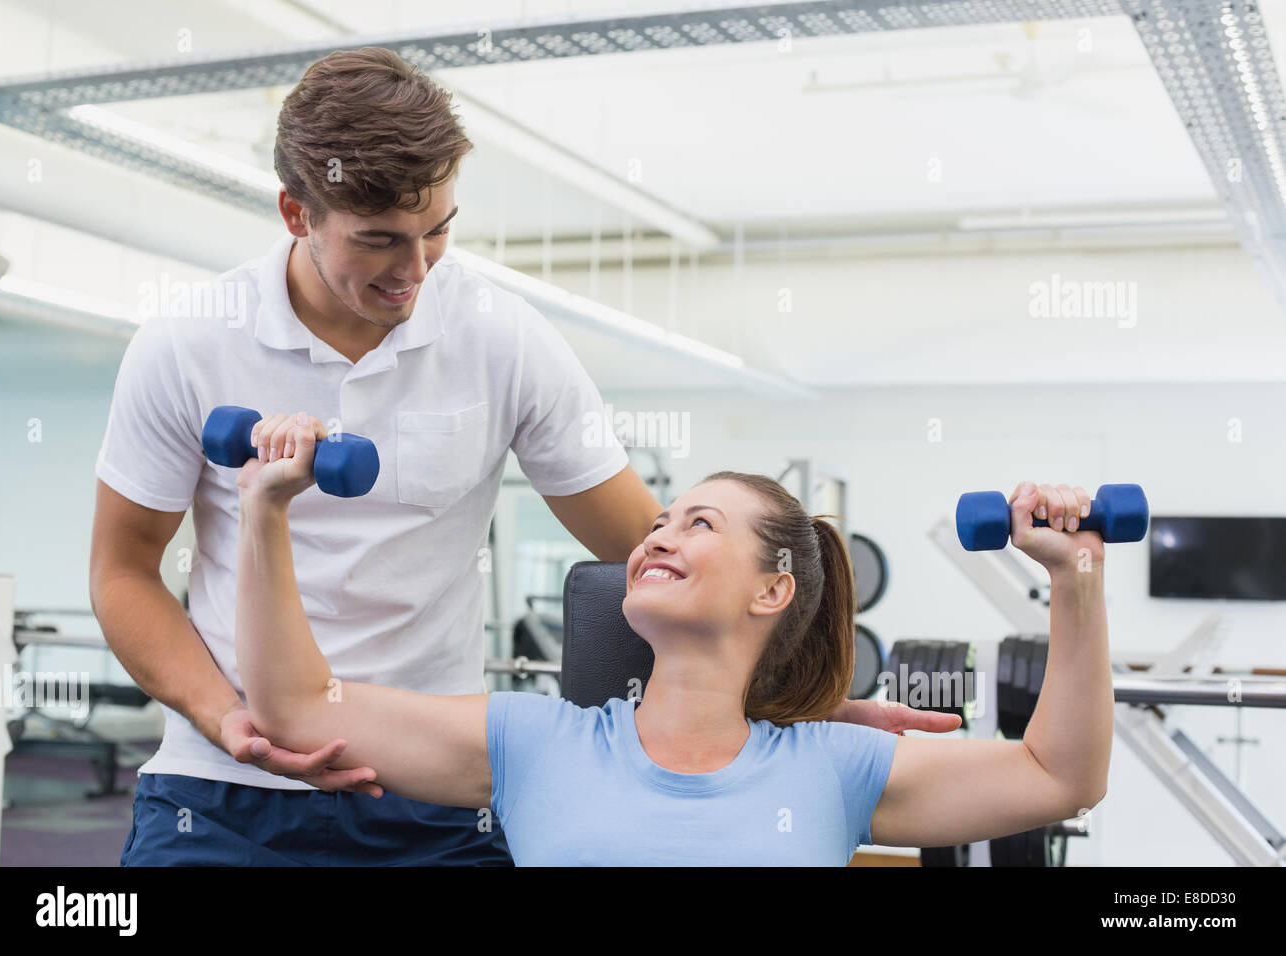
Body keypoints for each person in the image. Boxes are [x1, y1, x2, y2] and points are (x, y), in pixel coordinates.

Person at [90, 46, 953, 867]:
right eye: (381, 239)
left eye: (438, 231)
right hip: (224, 784)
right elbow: (124, 570)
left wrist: (789, 706)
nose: (416, 270)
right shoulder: (188, 343)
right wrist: (227, 716)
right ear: (296, 212)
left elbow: (648, 556)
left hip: (427, 787)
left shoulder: (500, 340)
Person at [231, 412, 1112, 865]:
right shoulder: (533, 742)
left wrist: (1075, 577)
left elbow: (1060, 776)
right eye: (659, 522)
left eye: (699, 524)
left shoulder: (834, 766)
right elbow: (299, 708)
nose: (656, 537)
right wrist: (262, 507)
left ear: (775, 588)